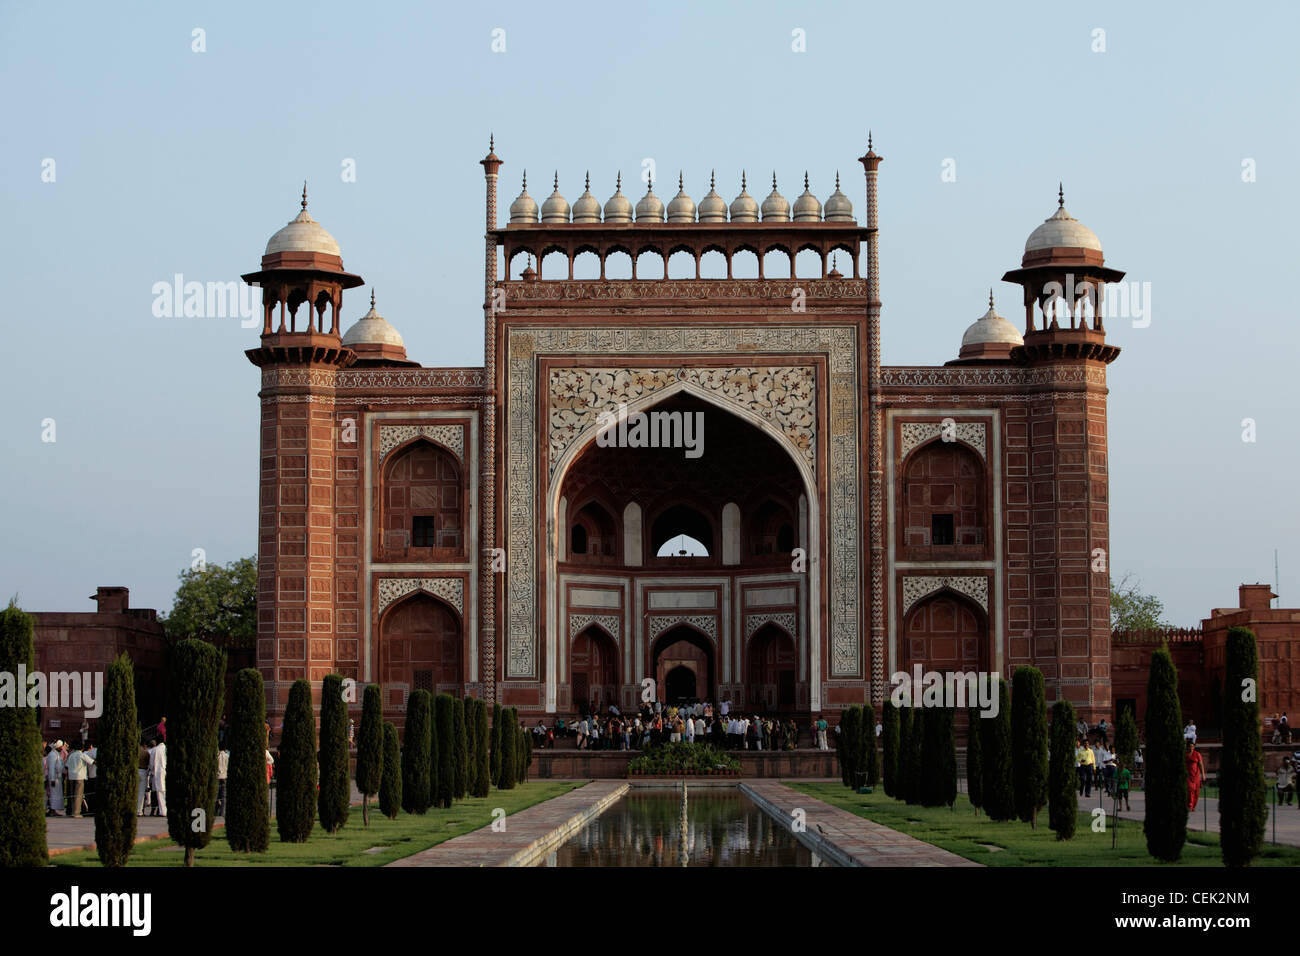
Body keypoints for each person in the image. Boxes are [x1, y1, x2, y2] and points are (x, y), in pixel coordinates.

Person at [65, 742, 94, 818]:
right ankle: (76, 813)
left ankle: (72, 811)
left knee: (73, 795)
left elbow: (66, 766)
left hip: (71, 777)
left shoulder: (71, 755)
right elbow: (92, 762)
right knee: (78, 795)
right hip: (79, 777)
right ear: (82, 748)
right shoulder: (82, 755)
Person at [45, 740, 65, 816]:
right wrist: (52, 779)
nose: (62, 748)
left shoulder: (57, 754)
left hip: (58, 778)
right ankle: (52, 810)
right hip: (54, 779)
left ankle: (54, 810)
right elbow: (51, 768)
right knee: (53, 794)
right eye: (61, 746)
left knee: (57, 795)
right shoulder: (52, 755)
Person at [148, 738, 167, 815]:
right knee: (164, 791)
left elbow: (152, 763)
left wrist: (151, 771)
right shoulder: (166, 748)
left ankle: (162, 811)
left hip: (158, 772)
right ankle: (163, 810)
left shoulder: (155, 750)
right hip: (165, 771)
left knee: (160, 791)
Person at [1186, 741, 1205, 811]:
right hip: (1188, 775)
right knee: (1190, 790)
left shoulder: (1197, 754)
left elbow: (1201, 765)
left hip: (1196, 776)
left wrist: (1203, 775)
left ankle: (1193, 806)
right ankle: (1190, 805)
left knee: (1196, 792)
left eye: (1192, 746)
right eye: (1189, 746)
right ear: (1187, 747)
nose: (1191, 748)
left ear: (1194, 747)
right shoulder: (1185, 754)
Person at [216, 745, 230, 817]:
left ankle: (215, 811)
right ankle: (222, 812)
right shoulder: (227, 756)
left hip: (217, 776)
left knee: (216, 794)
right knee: (224, 796)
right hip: (224, 776)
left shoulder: (217, 756)